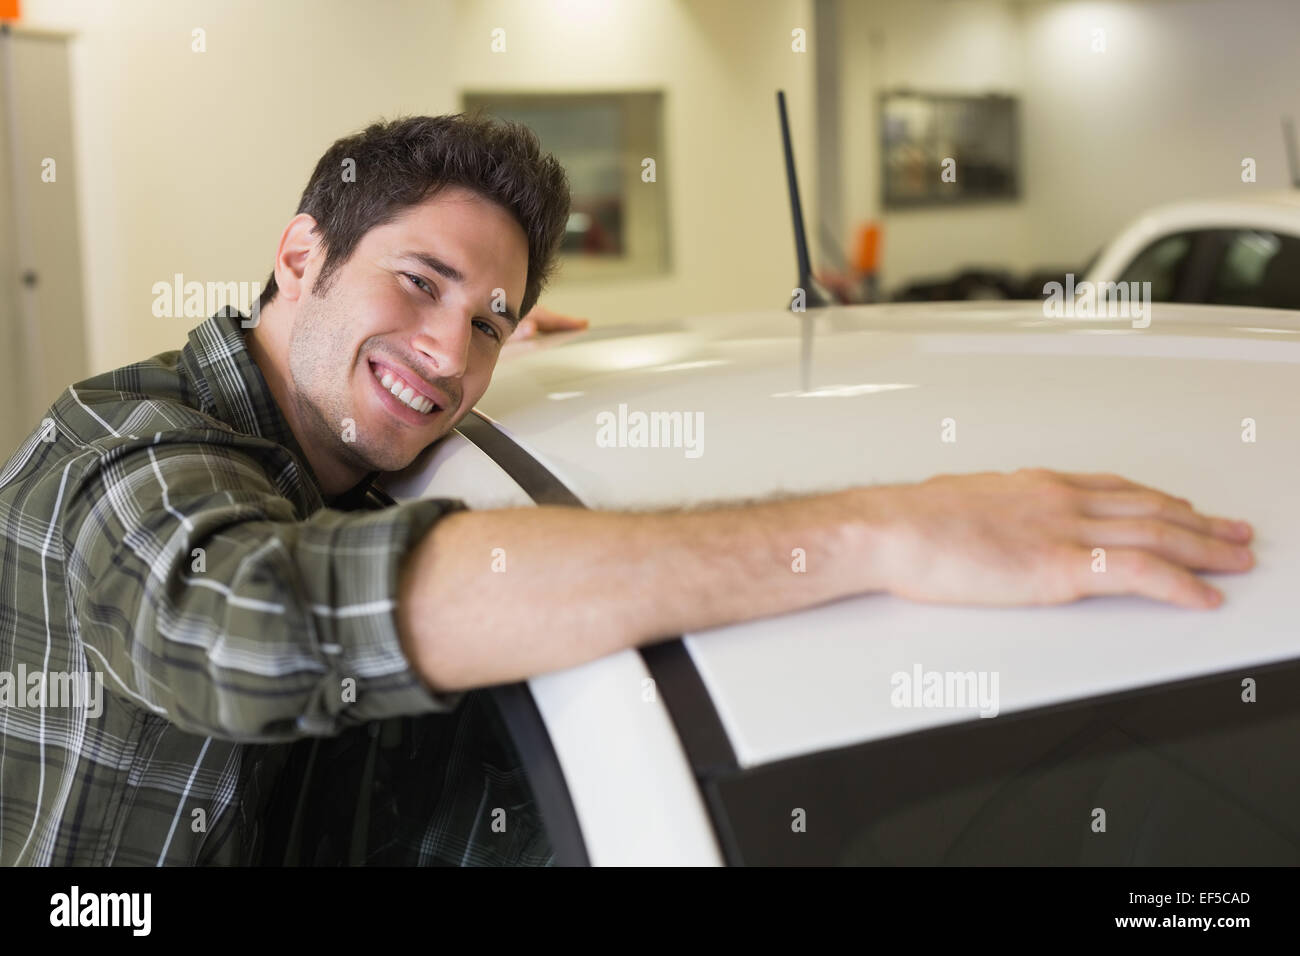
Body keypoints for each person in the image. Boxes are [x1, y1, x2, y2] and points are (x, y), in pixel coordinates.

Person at [0, 113, 1255, 866]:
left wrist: (481, 371)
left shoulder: (361, 437)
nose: (452, 352)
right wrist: (885, 527)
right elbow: (239, 624)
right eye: (419, 280)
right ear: (297, 252)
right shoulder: (119, 447)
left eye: (492, 318)